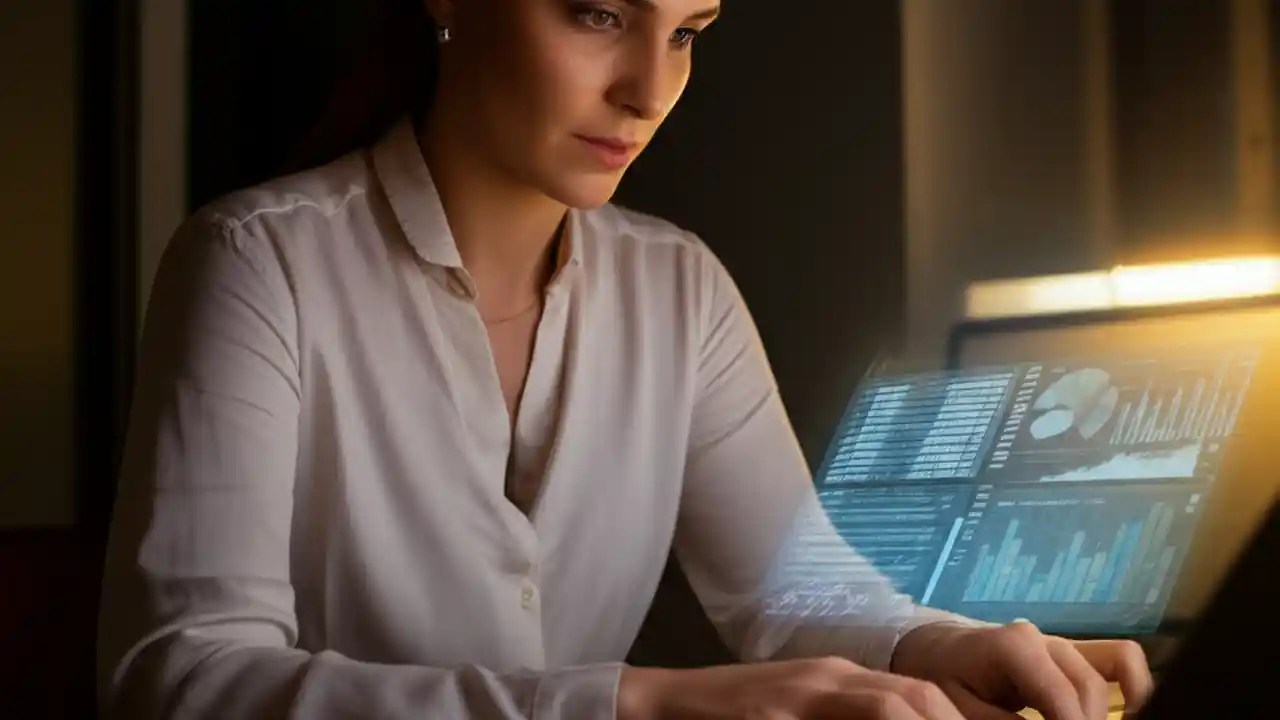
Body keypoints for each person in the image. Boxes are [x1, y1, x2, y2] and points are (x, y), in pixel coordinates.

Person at [97, 0, 1152, 718]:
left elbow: (792, 589)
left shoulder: (676, 287)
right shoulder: (257, 261)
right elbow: (182, 679)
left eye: (687, 31)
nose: (649, 89)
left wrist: (941, 645)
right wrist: (643, 701)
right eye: (598, 14)